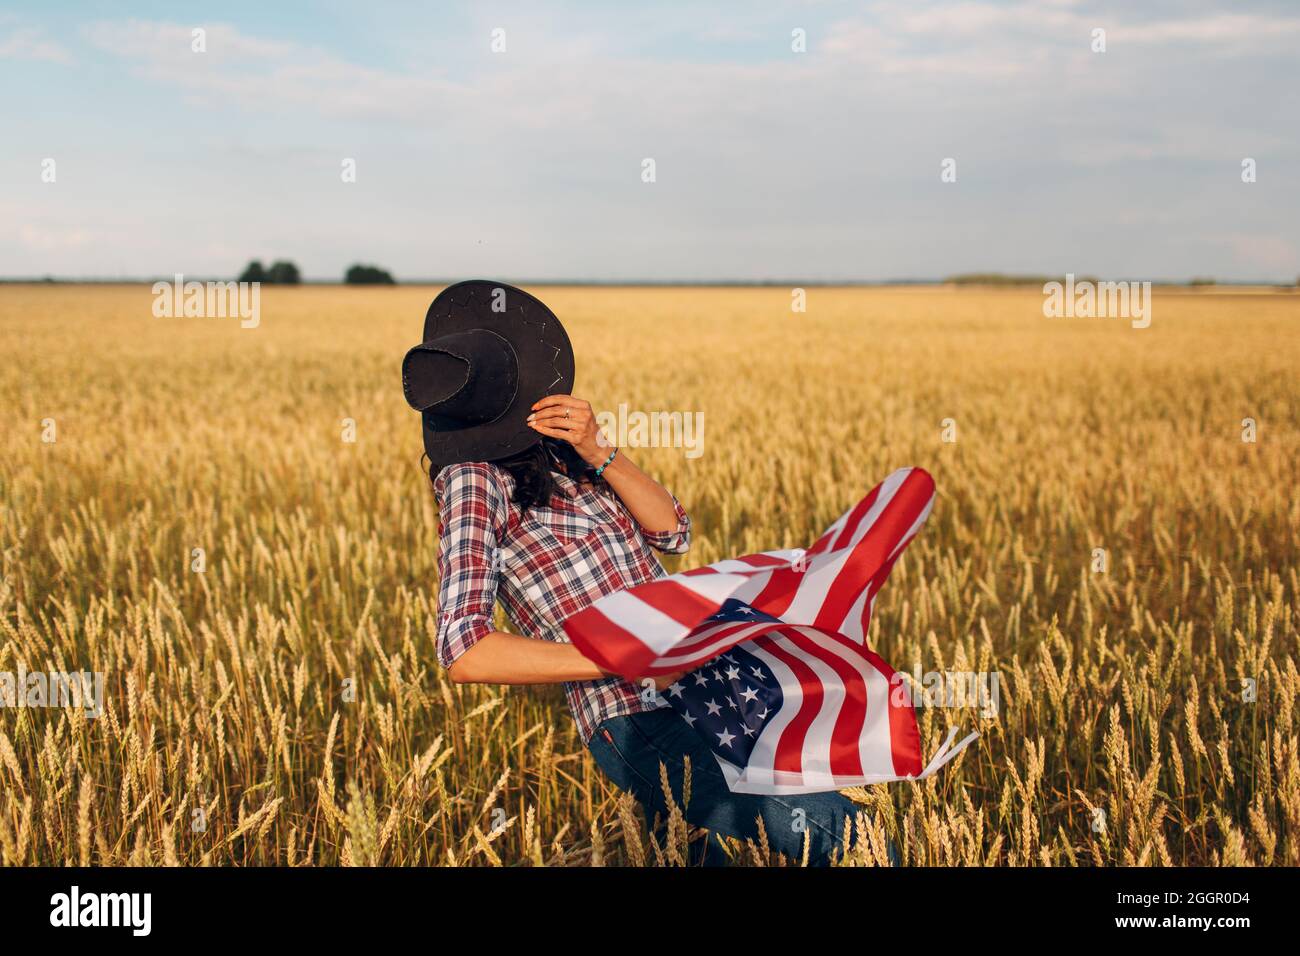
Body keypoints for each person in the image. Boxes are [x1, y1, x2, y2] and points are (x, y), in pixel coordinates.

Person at [403, 280, 871, 865]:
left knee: (701, 856)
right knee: (848, 838)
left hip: (710, 684)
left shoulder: (563, 454)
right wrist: (619, 654)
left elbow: (673, 532)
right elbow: (462, 650)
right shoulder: (472, 483)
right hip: (635, 718)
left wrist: (600, 450)